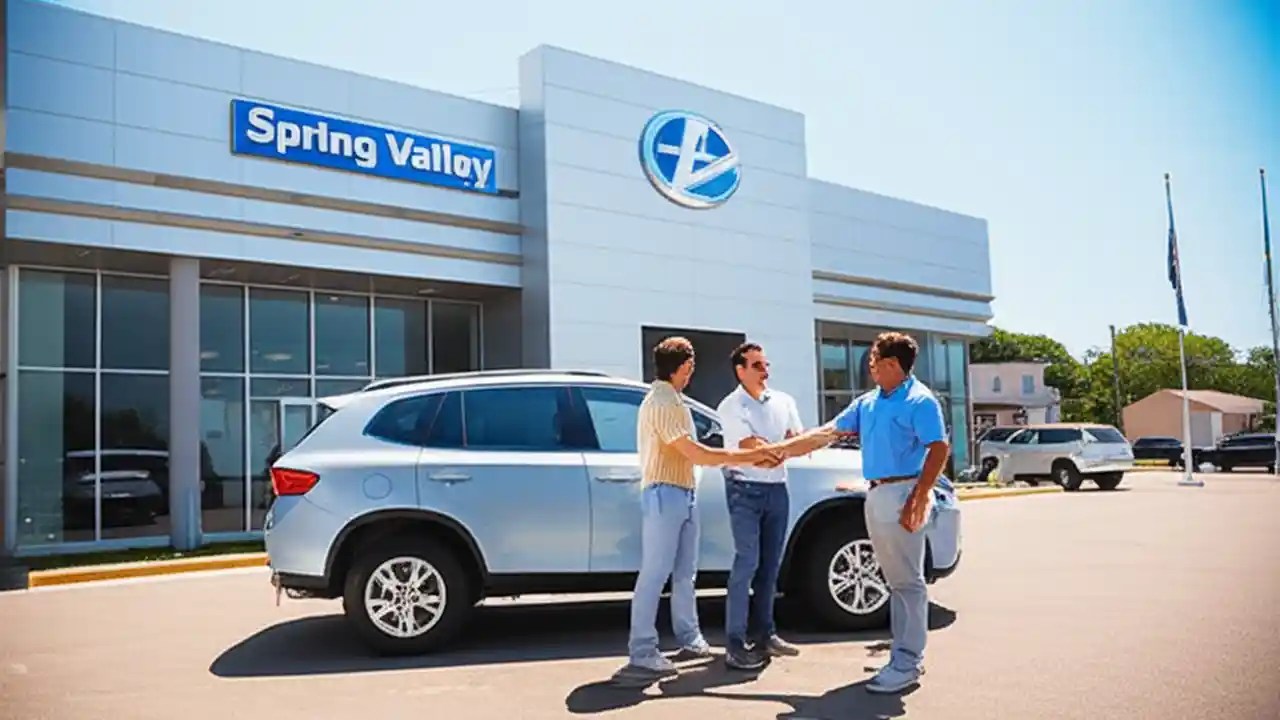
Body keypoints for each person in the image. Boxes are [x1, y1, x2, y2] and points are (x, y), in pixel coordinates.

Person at [614, 336, 786, 684]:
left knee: (684, 573)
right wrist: (746, 455)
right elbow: (697, 454)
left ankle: (689, 638)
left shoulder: (674, 399)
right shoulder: (662, 401)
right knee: (655, 573)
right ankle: (643, 650)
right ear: (683, 366)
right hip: (666, 493)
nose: (691, 372)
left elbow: (695, 453)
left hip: (682, 493)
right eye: (690, 366)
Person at [831, 331, 950, 694]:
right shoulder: (869, 401)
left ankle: (907, 662)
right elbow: (830, 430)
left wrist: (918, 497)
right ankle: (901, 655)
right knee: (895, 581)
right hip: (879, 493)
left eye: (873, 361)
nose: (869, 368)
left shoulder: (919, 400)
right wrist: (787, 445)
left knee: (908, 582)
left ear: (892, 365)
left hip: (903, 492)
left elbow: (939, 448)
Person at [716, 342, 842, 670]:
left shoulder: (784, 401)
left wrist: (779, 450)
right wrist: (778, 450)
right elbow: (752, 448)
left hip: (777, 491)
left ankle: (765, 634)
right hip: (744, 491)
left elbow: (797, 442)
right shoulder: (731, 406)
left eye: (766, 364)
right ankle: (734, 643)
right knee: (747, 563)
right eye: (757, 365)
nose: (765, 371)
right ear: (740, 370)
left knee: (771, 566)